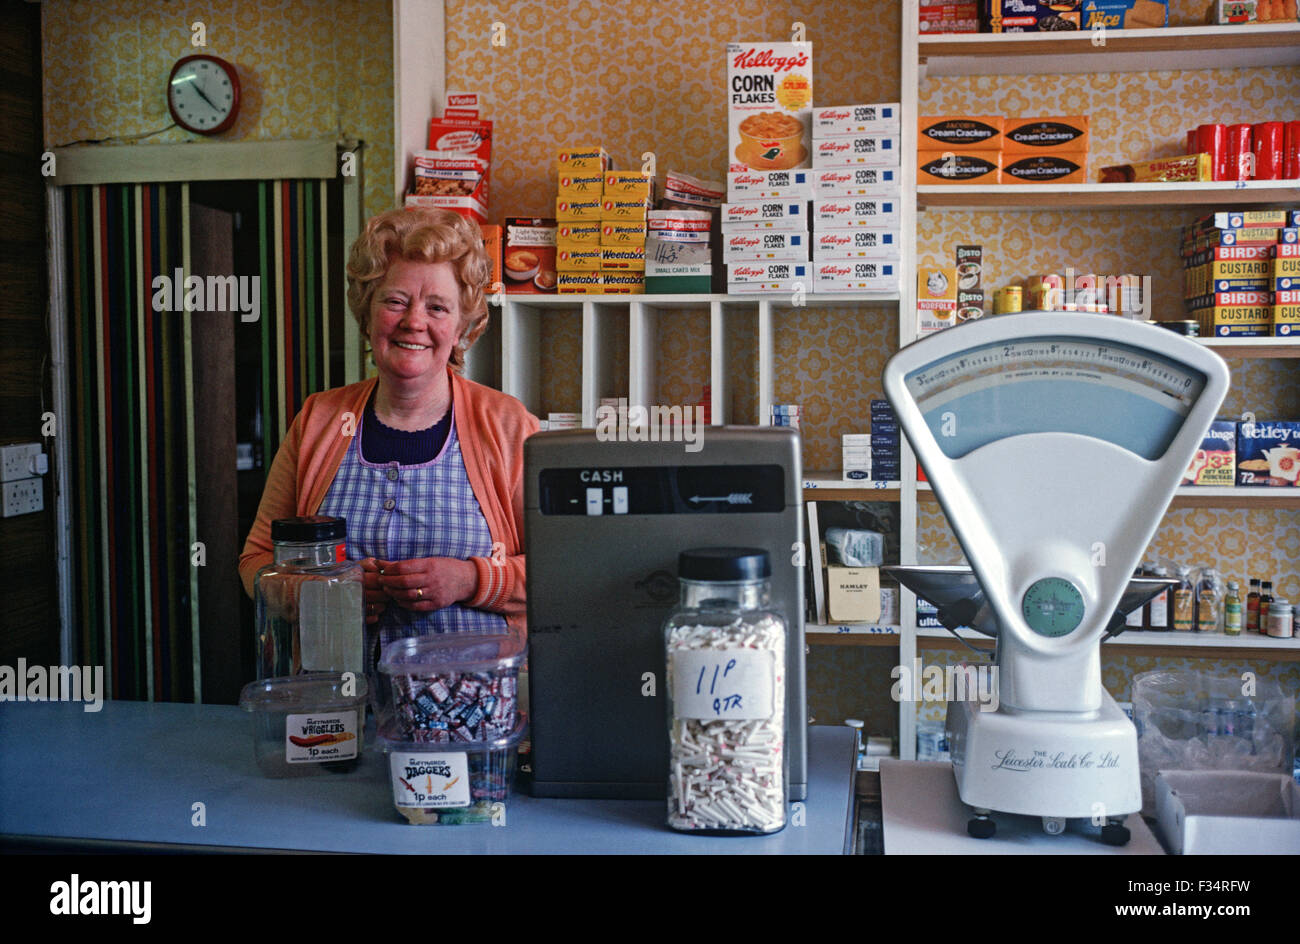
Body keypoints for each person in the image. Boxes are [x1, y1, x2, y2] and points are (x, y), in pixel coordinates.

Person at [239, 207, 537, 670]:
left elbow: (560, 570)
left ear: (461, 326)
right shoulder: (319, 419)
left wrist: (471, 579)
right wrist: (322, 594)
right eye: (395, 301)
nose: (413, 321)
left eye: (437, 307)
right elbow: (257, 560)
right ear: (368, 309)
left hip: (470, 716)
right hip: (333, 711)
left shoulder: (506, 424)